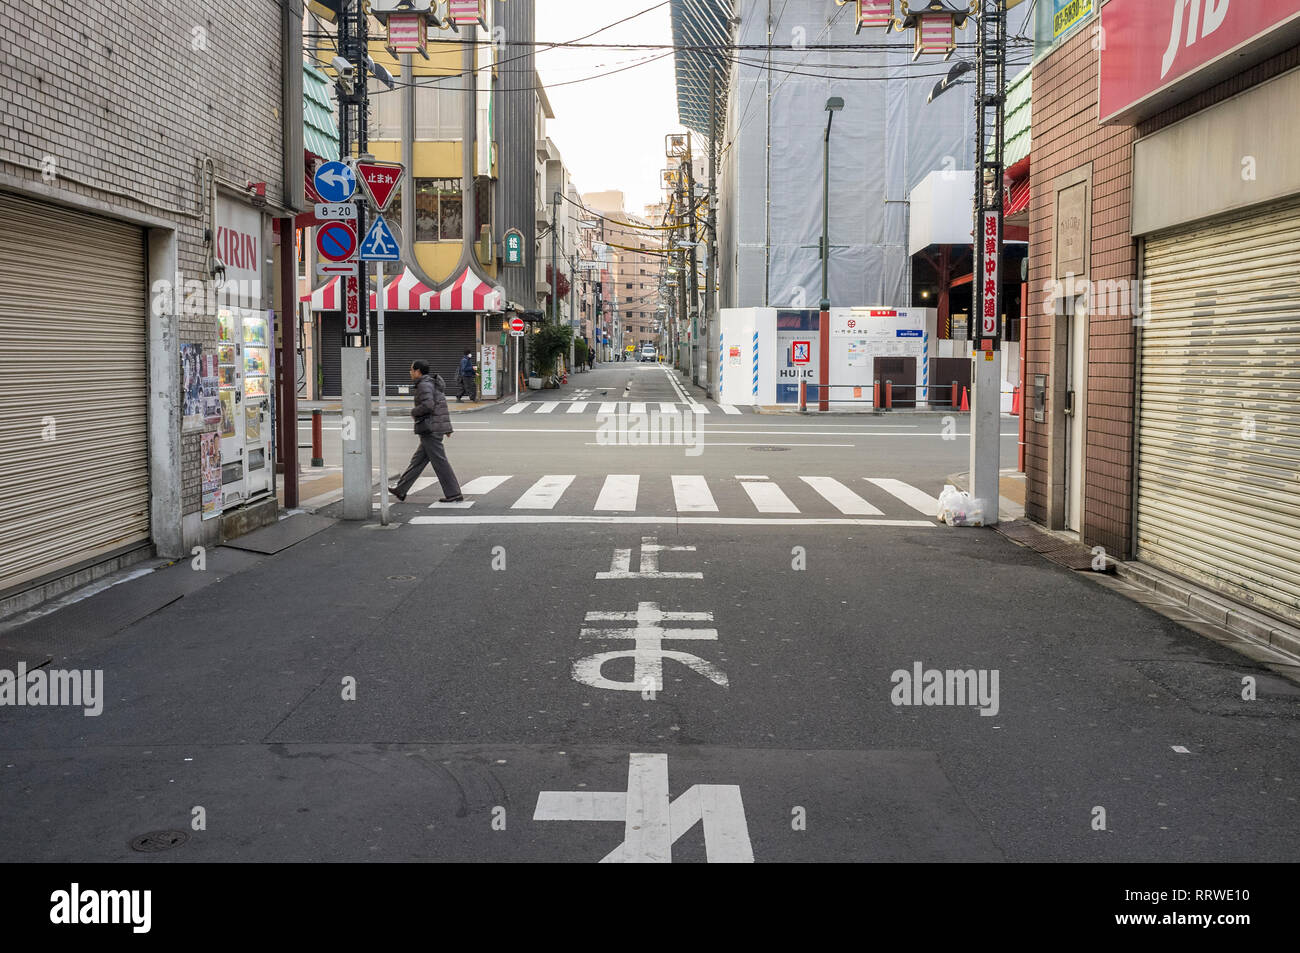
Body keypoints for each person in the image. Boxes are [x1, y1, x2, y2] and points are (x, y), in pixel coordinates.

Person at [388, 360, 463, 503]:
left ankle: (454, 493)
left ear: (418, 371)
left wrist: (414, 412)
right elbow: (441, 406)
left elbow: (429, 405)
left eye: (411, 370)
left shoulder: (424, 385)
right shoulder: (431, 383)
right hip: (434, 427)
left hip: (430, 429)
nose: (410, 372)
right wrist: (447, 428)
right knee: (418, 461)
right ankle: (401, 489)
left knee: (440, 462)